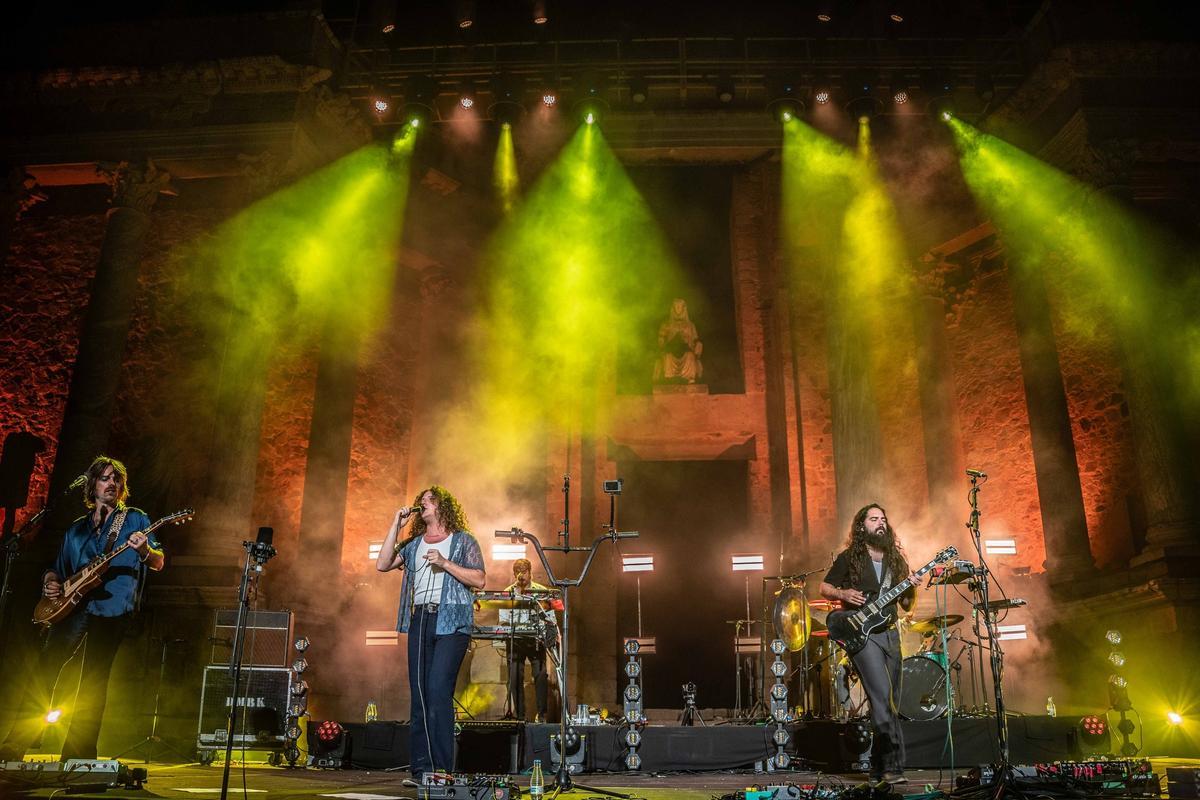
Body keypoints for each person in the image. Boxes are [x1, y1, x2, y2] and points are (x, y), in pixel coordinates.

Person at [0, 456, 164, 762]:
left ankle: (78, 753)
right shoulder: (76, 529)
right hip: (73, 606)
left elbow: (158, 561)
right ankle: (16, 743)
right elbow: (57, 569)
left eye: (116, 479)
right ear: (92, 485)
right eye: (104, 478)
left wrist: (144, 549)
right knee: (45, 669)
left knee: (94, 679)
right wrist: (50, 581)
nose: (111, 483)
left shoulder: (135, 518)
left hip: (114, 607)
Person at [377, 485, 485, 781]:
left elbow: (480, 578)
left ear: (442, 507)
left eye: (428, 500)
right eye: (420, 501)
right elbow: (382, 563)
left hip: (451, 620)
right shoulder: (413, 544)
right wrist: (395, 526)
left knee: (438, 691)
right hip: (421, 618)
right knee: (420, 695)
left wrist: (445, 563)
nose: (422, 503)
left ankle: (441, 769)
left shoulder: (463, 541)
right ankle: (422, 769)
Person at [819, 503, 918, 784]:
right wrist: (844, 592)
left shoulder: (896, 559)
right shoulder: (851, 557)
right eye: (874, 518)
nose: (880, 522)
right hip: (864, 636)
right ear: (862, 526)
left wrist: (913, 585)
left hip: (889, 632)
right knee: (882, 696)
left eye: (883, 518)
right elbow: (823, 588)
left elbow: (907, 603)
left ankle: (877, 769)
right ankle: (894, 768)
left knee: (891, 702)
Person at [498, 558, 559, 721]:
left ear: (530, 572)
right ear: (514, 574)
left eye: (524, 572)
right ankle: (520, 716)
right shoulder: (508, 591)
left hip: (535, 641)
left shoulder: (541, 591)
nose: (521, 575)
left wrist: (549, 634)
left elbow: (550, 616)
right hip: (516, 640)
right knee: (514, 677)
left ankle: (542, 714)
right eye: (518, 572)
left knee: (540, 675)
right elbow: (503, 619)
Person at [653, 298, 704, 384]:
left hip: (686, 350)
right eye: (676, 306)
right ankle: (669, 378)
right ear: (673, 308)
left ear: (684, 308)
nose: (678, 308)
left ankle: (690, 378)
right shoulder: (666, 324)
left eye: (680, 306)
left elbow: (695, 339)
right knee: (668, 357)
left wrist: (698, 344)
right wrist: (661, 342)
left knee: (690, 356)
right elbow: (661, 337)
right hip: (671, 350)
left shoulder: (690, 325)